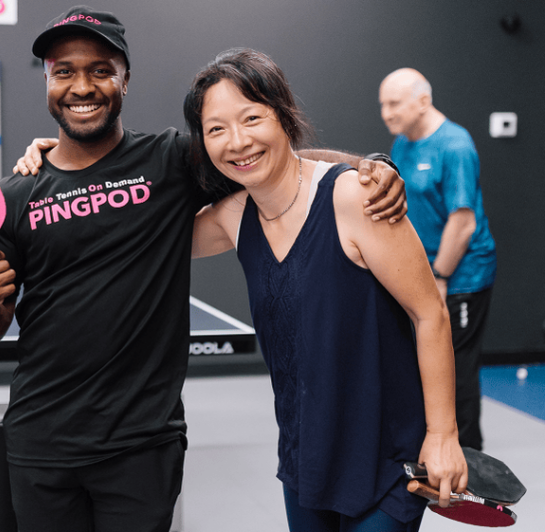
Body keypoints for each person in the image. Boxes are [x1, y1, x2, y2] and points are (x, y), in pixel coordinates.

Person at [0, 7, 407, 532]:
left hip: (142, 444)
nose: (82, 86)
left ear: (125, 79)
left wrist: (365, 168)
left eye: (101, 70)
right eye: (64, 72)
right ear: (47, 82)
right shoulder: (16, 195)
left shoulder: (170, 161)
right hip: (41, 442)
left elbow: (279, 165)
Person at [183, 48, 467, 531]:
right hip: (305, 456)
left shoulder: (356, 196)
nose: (238, 141)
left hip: (385, 460)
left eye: (252, 118)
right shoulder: (233, 217)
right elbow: (143, 229)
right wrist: (59, 164)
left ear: (283, 115)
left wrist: (443, 434)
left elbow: (429, 314)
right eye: (216, 129)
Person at [379, 68, 497, 451]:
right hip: (424, 272)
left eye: (394, 104)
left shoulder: (455, 146)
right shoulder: (403, 142)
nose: (386, 113)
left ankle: (468, 457)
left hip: (461, 275)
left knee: (456, 368)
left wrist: (441, 277)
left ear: (423, 101)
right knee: (425, 363)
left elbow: (463, 223)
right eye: (383, 104)